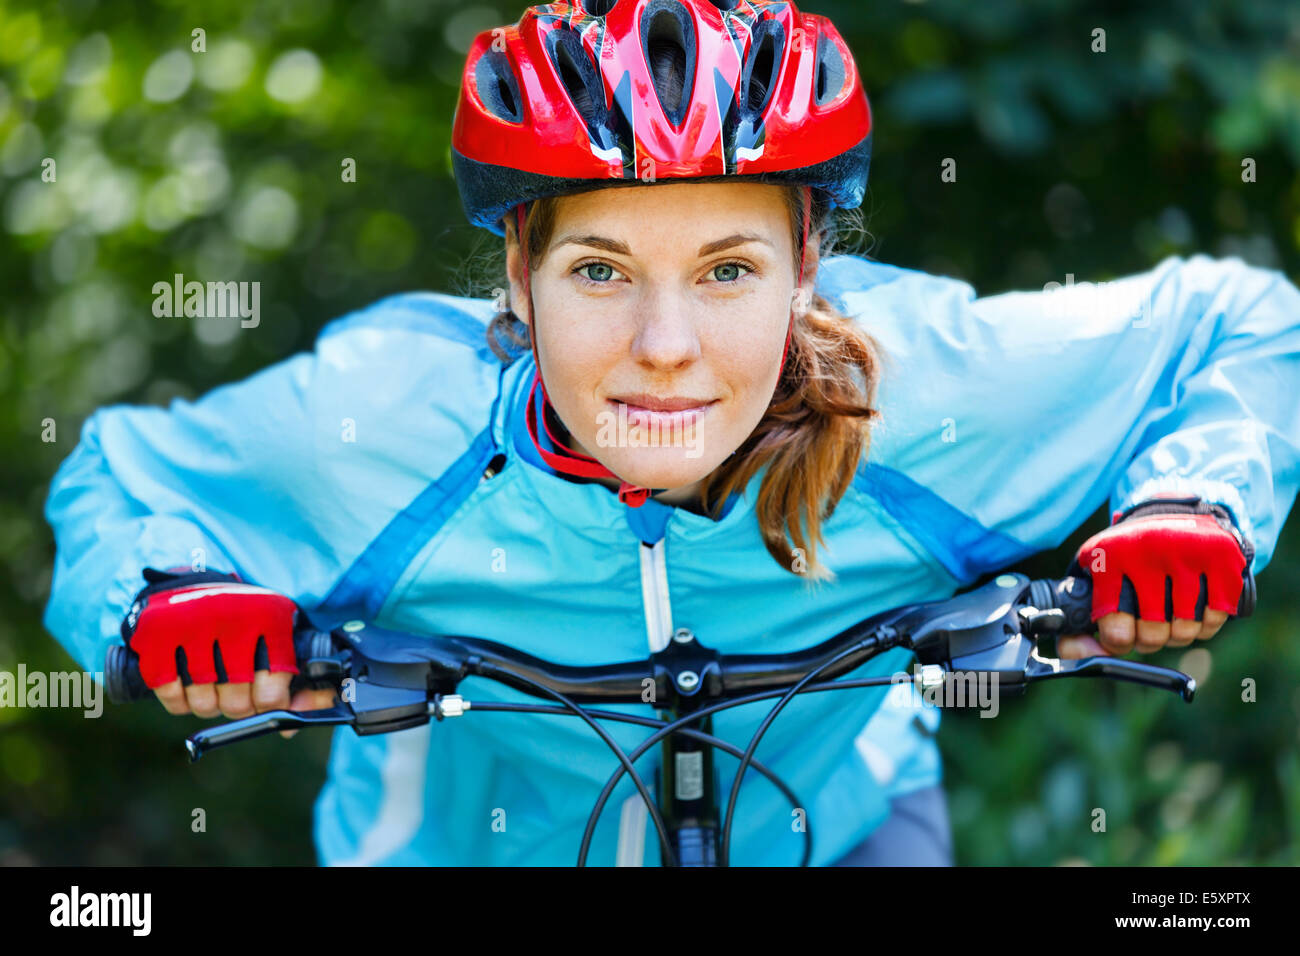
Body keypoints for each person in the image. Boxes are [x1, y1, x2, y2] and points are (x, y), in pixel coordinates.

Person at [42, 0, 1299, 867]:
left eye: (727, 269)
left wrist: (1190, 506)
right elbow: (116, 472)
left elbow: (1243, 321)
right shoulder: (379, 422)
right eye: (597, 271)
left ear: (809, 261)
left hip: (839, 831)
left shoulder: (931, 395)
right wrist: (168, 598)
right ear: (517, 268)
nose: (664, 343)